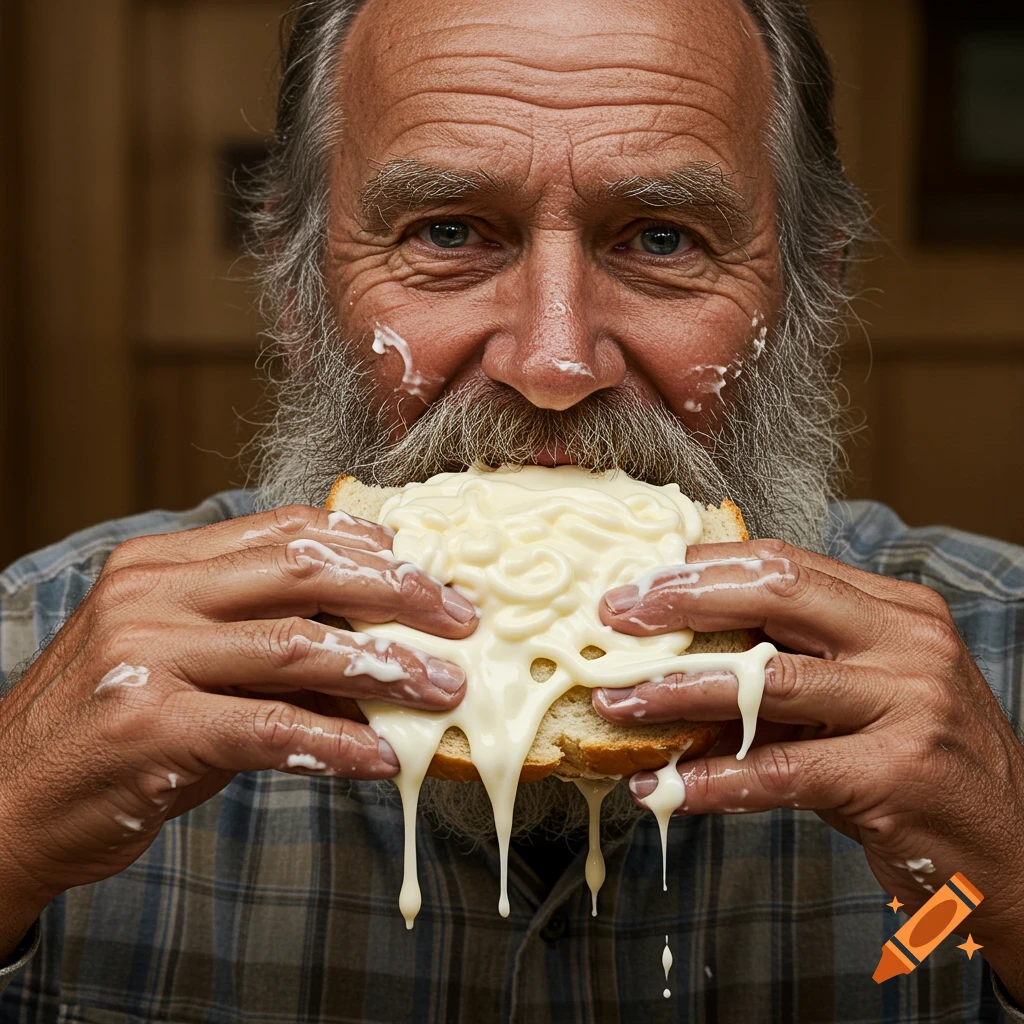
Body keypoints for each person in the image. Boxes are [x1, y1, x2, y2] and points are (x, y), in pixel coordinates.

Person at [1, 0, 1022, 1020]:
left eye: (662, 240)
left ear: (813, 287)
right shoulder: (33, 655)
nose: (552, 363)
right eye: (446, 233)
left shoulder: (1001, 660)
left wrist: (1010, 895)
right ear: (293, 283)